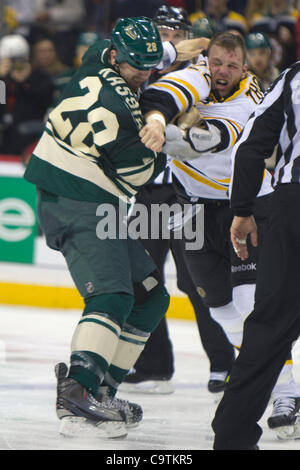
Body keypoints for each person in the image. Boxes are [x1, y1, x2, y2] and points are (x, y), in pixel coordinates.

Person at [139, 31, 300, 439]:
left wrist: (166, 135)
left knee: (252, 308)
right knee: (219, 309)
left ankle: (287, 395)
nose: (222, 71)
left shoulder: (251, 97)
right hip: (190, 209)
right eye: (216, 63)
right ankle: (257, 384)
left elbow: (210, 141)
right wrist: (157, 112)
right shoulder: (196, 77)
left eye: (232, 65)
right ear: (205, 61)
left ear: (244, 68)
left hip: (245, 208)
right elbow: (160, 94)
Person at [23, 17, 174, 440]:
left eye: (149, 65)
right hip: (79, 200)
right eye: (136, 67)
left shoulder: (95, 60)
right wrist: (169, 137)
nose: (144, 74)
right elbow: (140, 174)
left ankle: (101, 392)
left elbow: (139, 64)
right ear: (117, 58)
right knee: (110, 293)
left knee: (149, 296)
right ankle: (78, 389)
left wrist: (176, 52)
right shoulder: (125, 119)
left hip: (84, 198)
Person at [121, 5, 235, 396]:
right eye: (161, 30)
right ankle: (154, 365)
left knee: (198, 281)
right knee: (142, 278)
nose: (168, 36)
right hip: (152, 190)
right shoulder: (139, 71)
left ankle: (225, 363)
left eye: (174, 30)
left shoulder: (206, 71)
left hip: (191, 192)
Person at [212, 59, 300, 450]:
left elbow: (249, 149)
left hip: (293, 205)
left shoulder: (294, 77)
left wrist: (242, 210)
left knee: (268, 327)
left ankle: (232, 435)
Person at [0, 34, 54, 155]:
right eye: (10, 60)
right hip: (5, 137)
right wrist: (2, 79)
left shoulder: (40, 77)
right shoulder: (3, 80)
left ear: (27, 57)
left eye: (18, 60)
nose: (15, 64)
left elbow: (45, 103)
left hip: (30, 139)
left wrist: (25, 82)